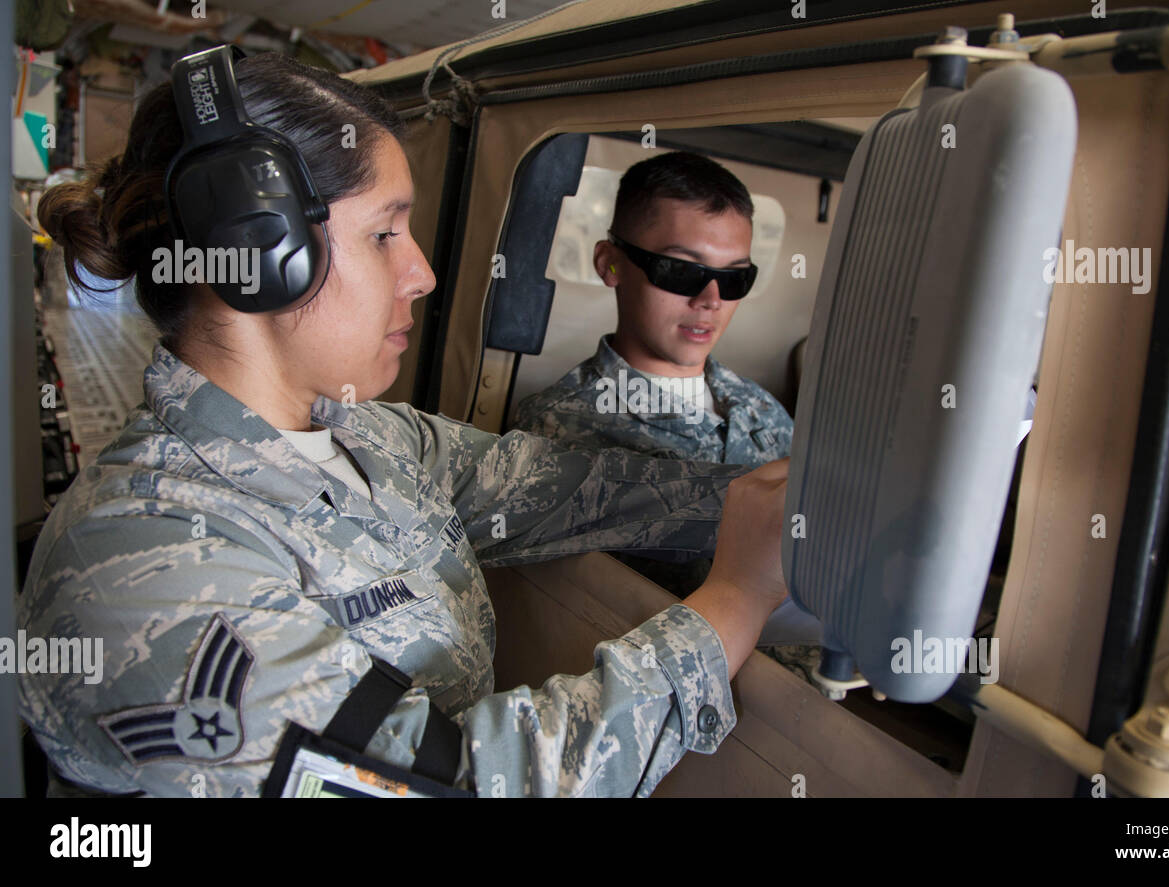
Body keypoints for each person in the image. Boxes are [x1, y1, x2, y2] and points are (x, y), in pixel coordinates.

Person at [19, 49, 790, 798]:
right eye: (385, 233)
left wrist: (772, 499)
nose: (420, 272)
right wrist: (730, 603)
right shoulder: (142, 569)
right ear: (258, 251)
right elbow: (454, 785)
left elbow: (586, 488)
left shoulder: (375, 439)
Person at [511, 151, 793, 468]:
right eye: (682, 271)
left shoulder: (762, 409)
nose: (711, 300)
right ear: (610, 264)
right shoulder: (555, 431)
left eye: (734, 278)